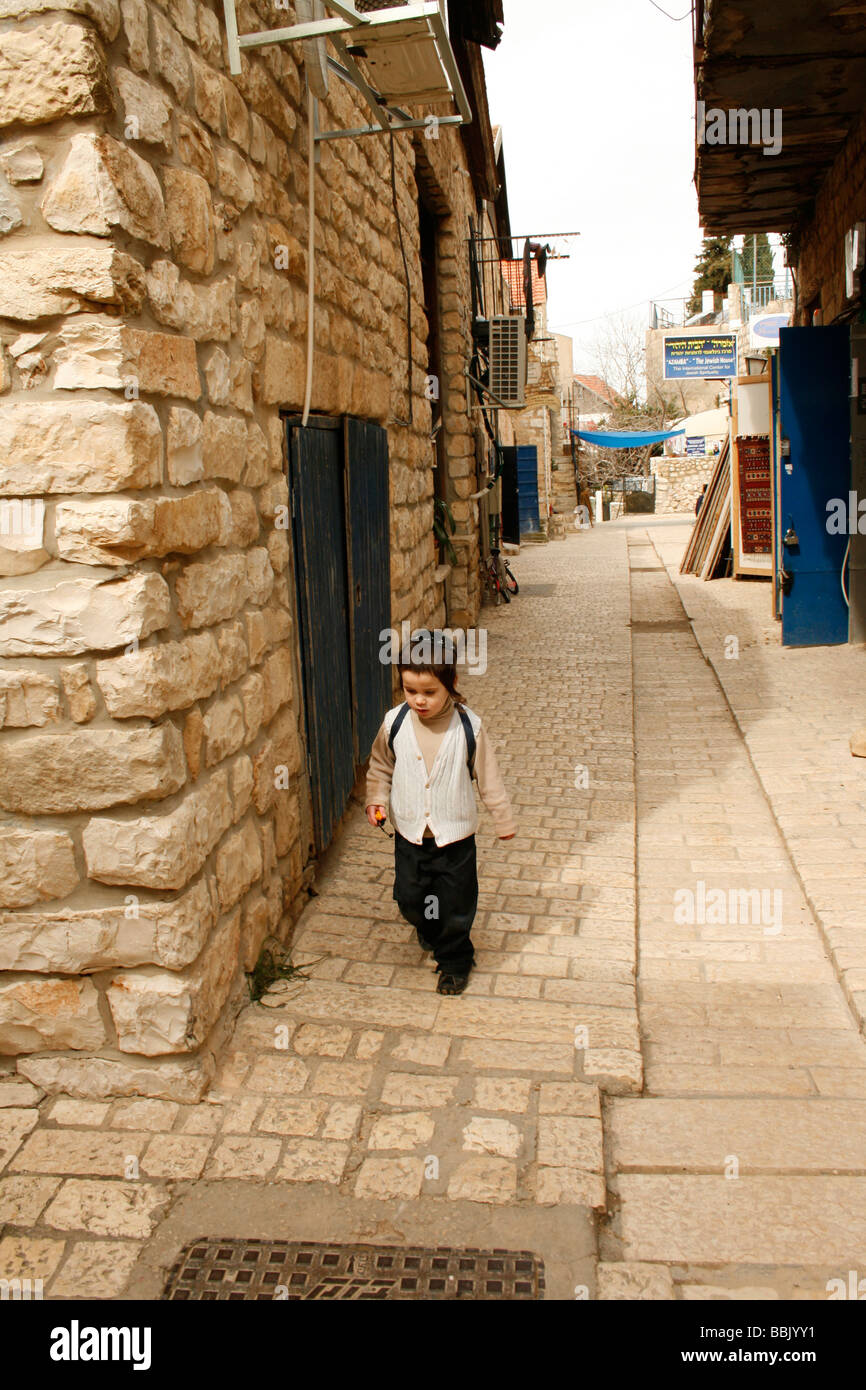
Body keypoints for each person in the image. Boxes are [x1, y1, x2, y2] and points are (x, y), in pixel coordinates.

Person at [366, 649, 515, 996]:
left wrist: (502, 818)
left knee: (456, 905)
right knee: (410, 898)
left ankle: (455, 961)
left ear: (451, 684)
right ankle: (429, 925)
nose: (419, 700)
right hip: (410, 835)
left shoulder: (468, 726)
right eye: (409, 690)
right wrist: (376, 800)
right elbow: (380, 766)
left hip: (455, 839)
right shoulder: (395, 723)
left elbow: (488, 777)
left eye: (429, 692)